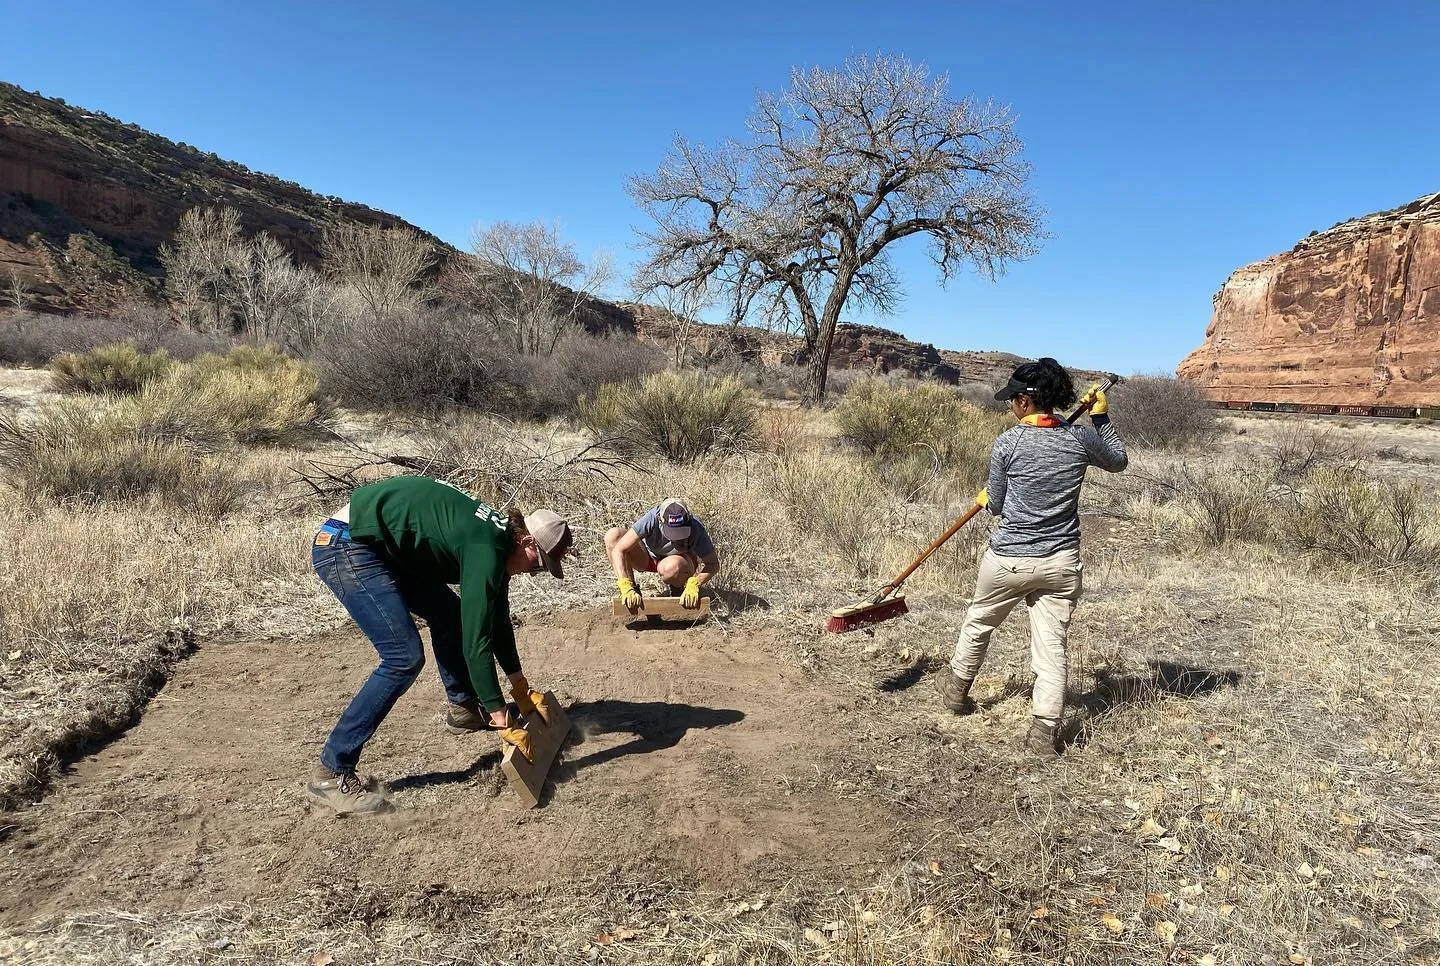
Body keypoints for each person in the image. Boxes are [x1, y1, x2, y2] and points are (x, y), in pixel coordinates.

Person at [306, 475, 574, 815]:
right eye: (538, 565)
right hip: (347, 543)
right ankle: (332, 772)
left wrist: (519, 685)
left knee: (450, 616)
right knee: (403, 656)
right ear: (527, 541)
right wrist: (500, 715)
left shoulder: (498, 541)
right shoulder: (485, 548)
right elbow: (477, 642)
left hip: (383, 546)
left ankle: (463, 709)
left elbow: (497, 620)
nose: (533, 573)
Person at [935, 358, 1127, 757]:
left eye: (1012, 399)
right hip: (1060, 563)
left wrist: (988, 497)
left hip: (1009, 560)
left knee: (979, 621)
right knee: (1052, 646)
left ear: (1025, 401)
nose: (1009, 406)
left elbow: (997, 505)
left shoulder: (1008, 442)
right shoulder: (1079, 438)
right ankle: (1044, 731)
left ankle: (956, 688)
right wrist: (1100, 418)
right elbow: (1118, 460)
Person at [605, 498, 719, 611]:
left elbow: (713, 564)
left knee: (672, 567)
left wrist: (695, 583)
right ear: (660, 519)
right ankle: (633, 592)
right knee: (613, 536)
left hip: (680, 564)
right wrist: (625, 585)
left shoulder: (695, 526)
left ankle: (678, 588)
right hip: (651, 558)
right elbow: (618, 550)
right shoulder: (651, 518)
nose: (676, 537)